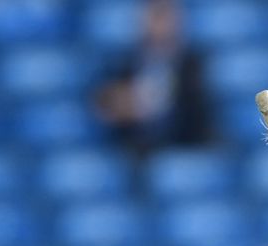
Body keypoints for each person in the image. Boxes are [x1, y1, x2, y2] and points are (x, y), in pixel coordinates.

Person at [90, 0, 214, 160]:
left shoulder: (193, 64)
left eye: (164, 16)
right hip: (133, 150)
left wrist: (156, 102)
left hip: (181, 145)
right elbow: (103, 102)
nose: (159, 25)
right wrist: (122, 105)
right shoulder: (125, 63)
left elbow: (197, 110)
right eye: (155, 16)